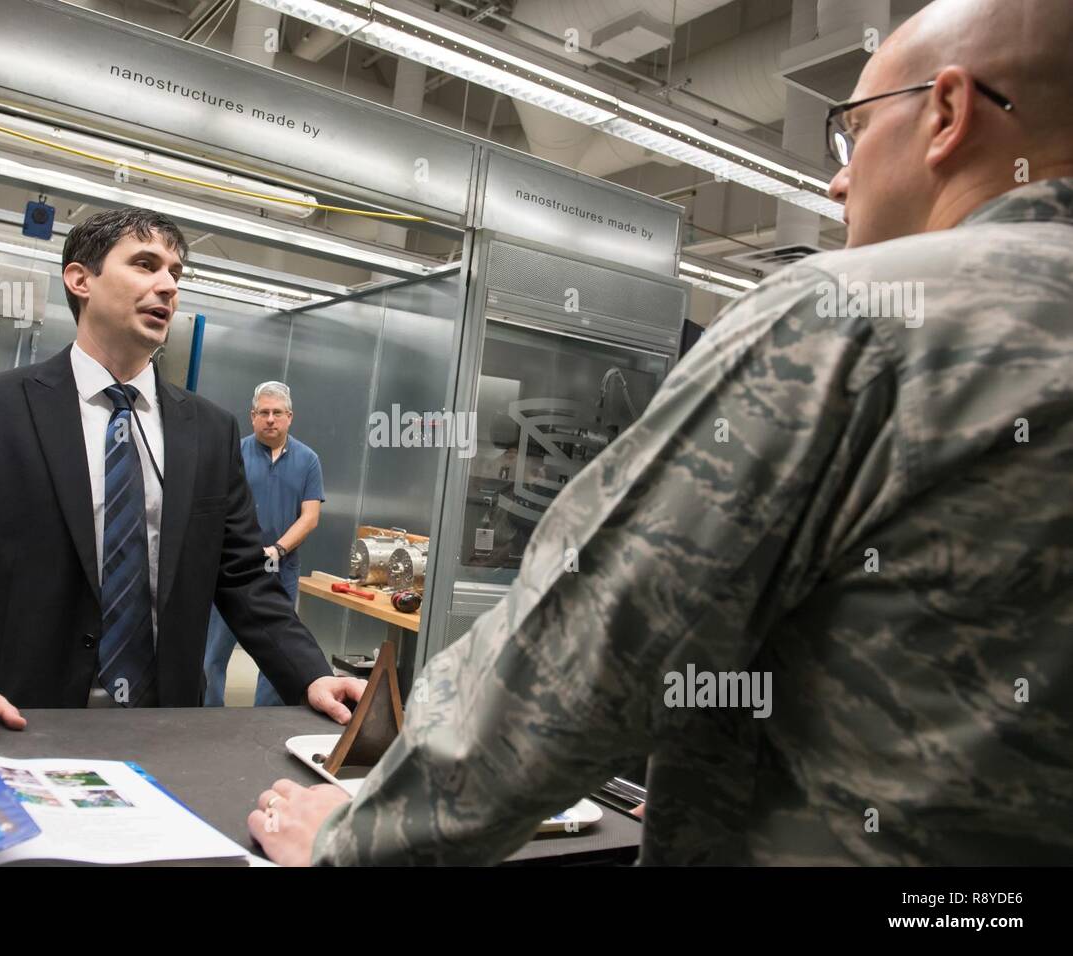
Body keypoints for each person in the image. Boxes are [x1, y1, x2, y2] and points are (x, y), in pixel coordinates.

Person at [247, 0, 1073, 865]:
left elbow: (586, 650)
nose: (836, 181)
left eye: (854, 131)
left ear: (948, 112)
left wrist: (356, 839)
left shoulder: (844, 321)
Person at [0, 207, 363, 741]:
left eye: (175, 273)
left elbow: (243, 577)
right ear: (80, 279)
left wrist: (311, 673)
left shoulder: (209, 431)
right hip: (15, 722)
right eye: (145, 265)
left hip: (166, 728)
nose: (168, 286)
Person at [203, 381, 323, 707]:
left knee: (278, 656)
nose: (271, 419)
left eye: (277, 413)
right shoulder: (234, 454)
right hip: (231, 570)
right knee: (212, 656)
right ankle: (205, 717)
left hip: (282, 570)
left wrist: (277, 550)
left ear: (289, 417)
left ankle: (266, 720)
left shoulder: (308, 460)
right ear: (252, 416)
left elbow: (310, 517)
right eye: (264, 412)